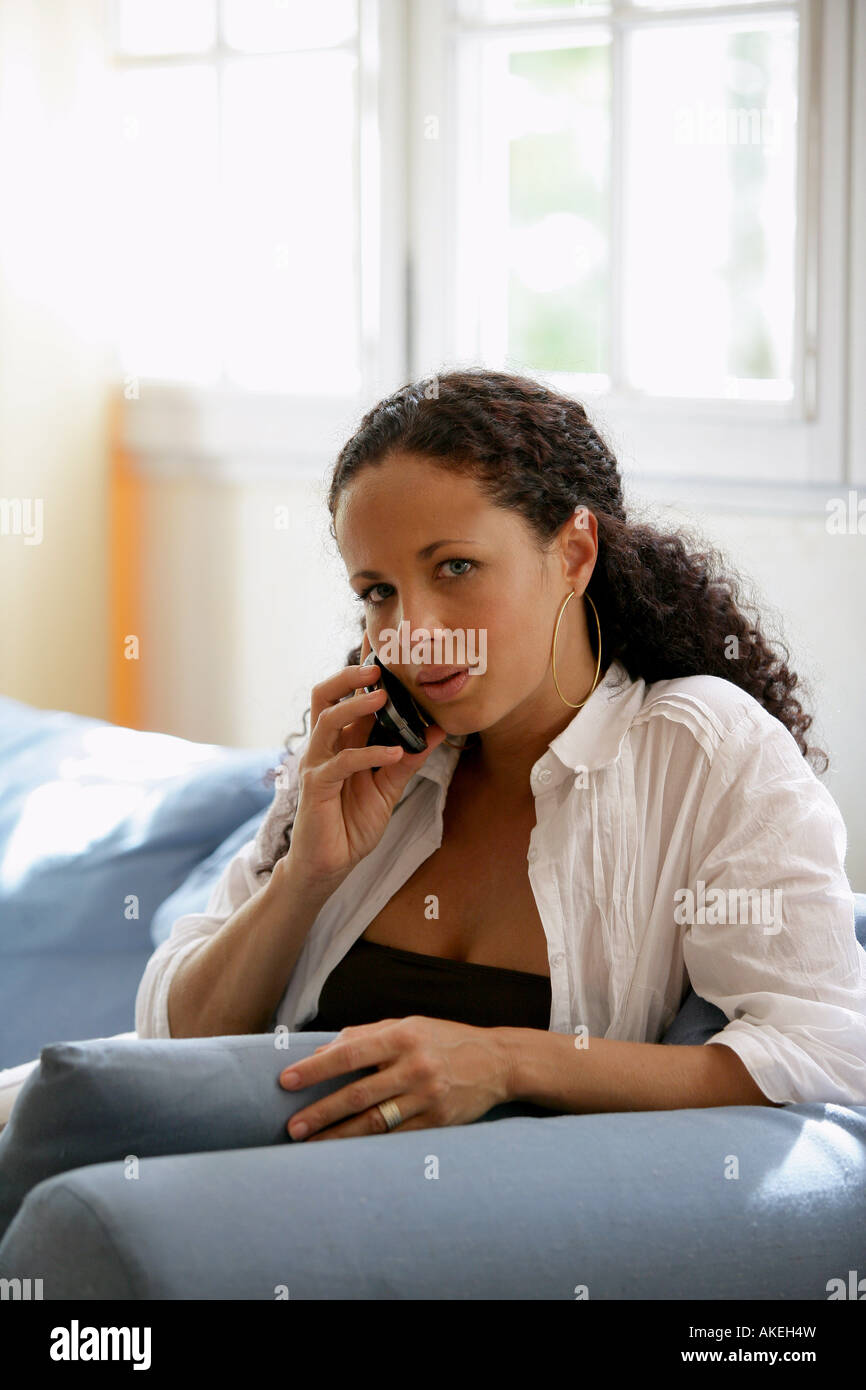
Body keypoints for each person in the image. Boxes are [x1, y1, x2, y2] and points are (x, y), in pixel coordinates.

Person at [136, 367, 866, 1140]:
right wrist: (304, 878)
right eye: (378, 591)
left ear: (576, 552)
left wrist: (505, 1062)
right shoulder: (372, 748)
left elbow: (827, 1052)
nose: (413, 630)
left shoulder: (701, 750)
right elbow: (170, 1046)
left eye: (455, 567)